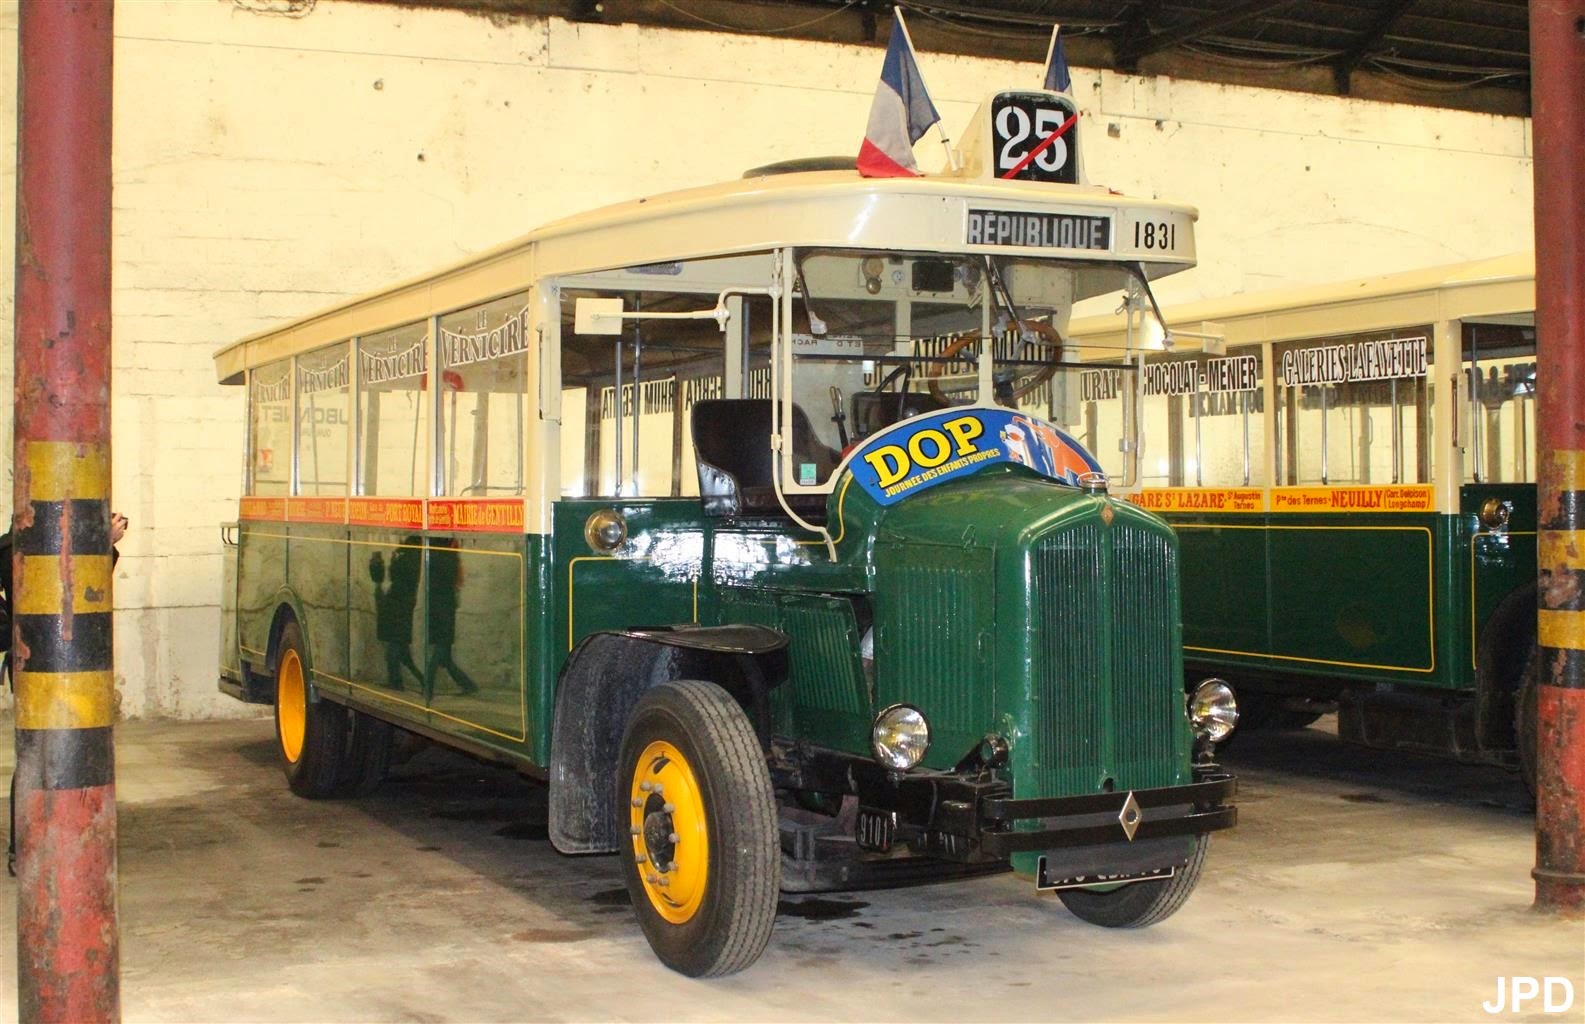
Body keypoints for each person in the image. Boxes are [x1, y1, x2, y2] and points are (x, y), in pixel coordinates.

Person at [5, 511, 126, 876]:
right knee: (44, 754)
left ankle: (38, 845)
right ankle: (28, 846)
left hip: (60, 664)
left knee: (54, 752)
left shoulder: (19, 542)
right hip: (44, 664)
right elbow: (64, 592)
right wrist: (102, 545)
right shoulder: (26, 548)